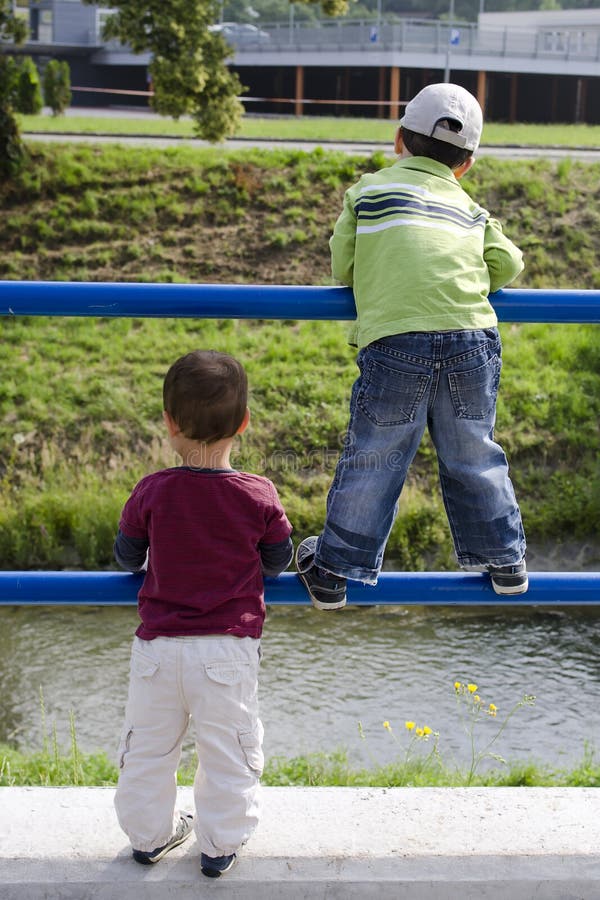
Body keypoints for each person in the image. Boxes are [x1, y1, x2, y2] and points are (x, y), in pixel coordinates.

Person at [296, 82, 527, 610]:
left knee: (376, 456)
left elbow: (343, 266)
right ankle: (506, 561)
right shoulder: (470, 208)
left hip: (396, 339)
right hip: (471, 337)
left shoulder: (369, 191)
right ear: (466, 164)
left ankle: (333, 572)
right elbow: (508, 263)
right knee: (473, 452)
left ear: (399, 139)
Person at [113, 349, 293, 878]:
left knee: (148, 750)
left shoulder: (152, 490)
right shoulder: (257, 494)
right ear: (244, 423)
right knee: (228, 751)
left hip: (158, 650)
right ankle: (219, 845)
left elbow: (126, 556)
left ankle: (149, 839)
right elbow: (278, 560)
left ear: (170, 424)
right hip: (227, 651)